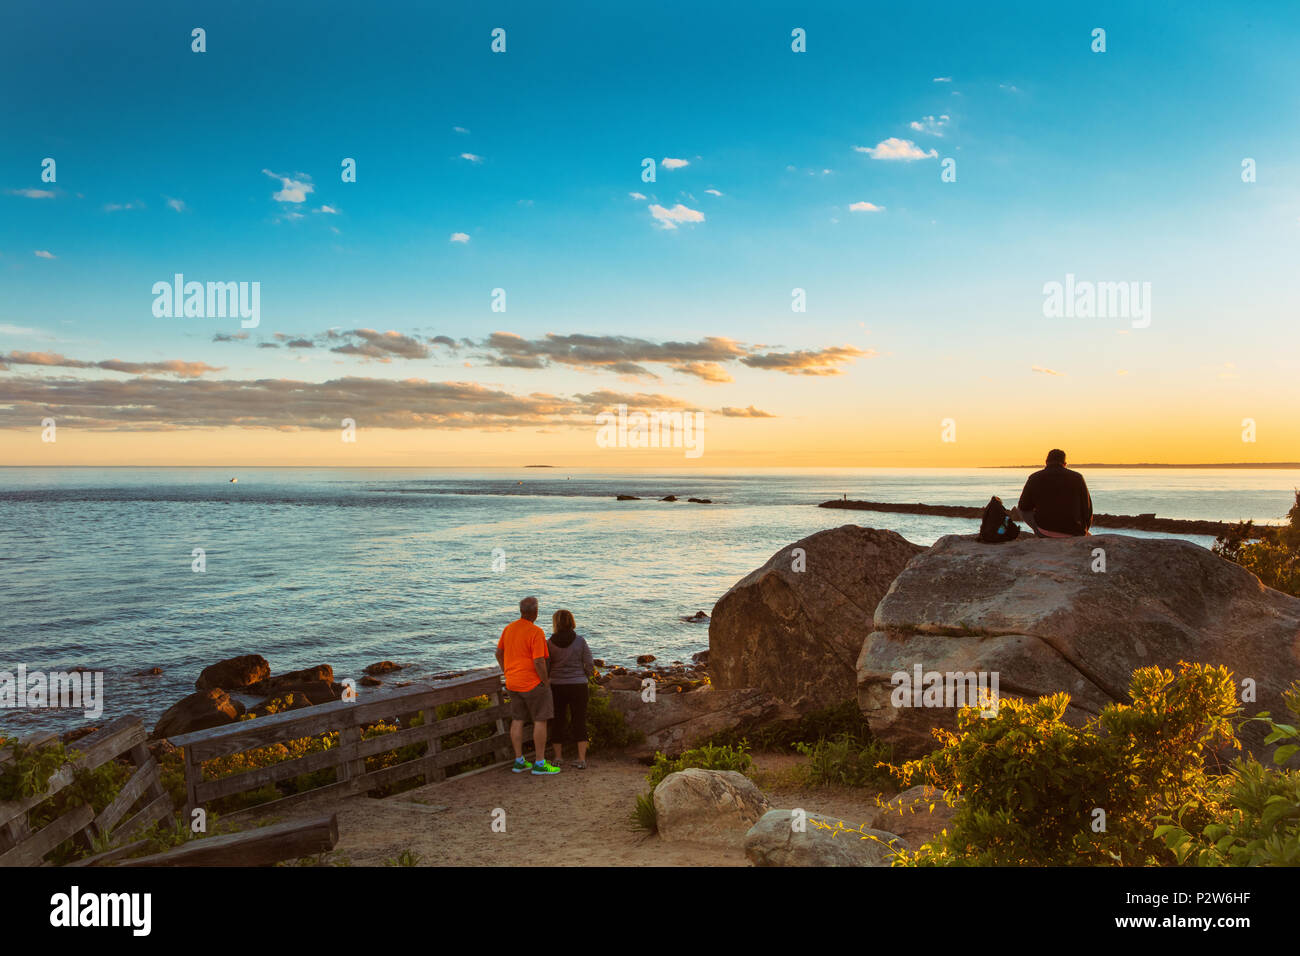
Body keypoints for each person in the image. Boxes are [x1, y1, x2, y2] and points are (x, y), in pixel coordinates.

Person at [495, 596, 560, 775]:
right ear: (536, 612)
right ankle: (539, 763)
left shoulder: (508, 629)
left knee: (517, 720)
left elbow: (498, 653)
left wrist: (507, 672)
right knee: (540, 720)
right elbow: (539, 661)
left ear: (521, 611)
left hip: (513, 683)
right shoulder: (536, 632)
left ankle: (519, 761)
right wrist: (545, 681)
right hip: (532, 683)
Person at [547, 609, 595, 769]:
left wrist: (548, 678)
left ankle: (558, 757)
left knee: (557, 721)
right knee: (579, 720)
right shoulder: (580, 641)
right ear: (572, 622)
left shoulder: (549, 643)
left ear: (556, 623)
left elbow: (546, 665)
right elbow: (589, 663)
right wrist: (586, 676)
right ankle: (581, 759)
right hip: (578, 686)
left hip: (556, 686)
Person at [1017, 449, 1093, 537]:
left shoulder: (1034, 477)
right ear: (1064, 463)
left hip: (1045, 530)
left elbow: (1023, 506)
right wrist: (1084, 530)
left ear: (1046, 462)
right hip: (1074, 532)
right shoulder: (1077, 477)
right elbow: (1087, 509)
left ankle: (1040, 530)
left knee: (1021, 510)